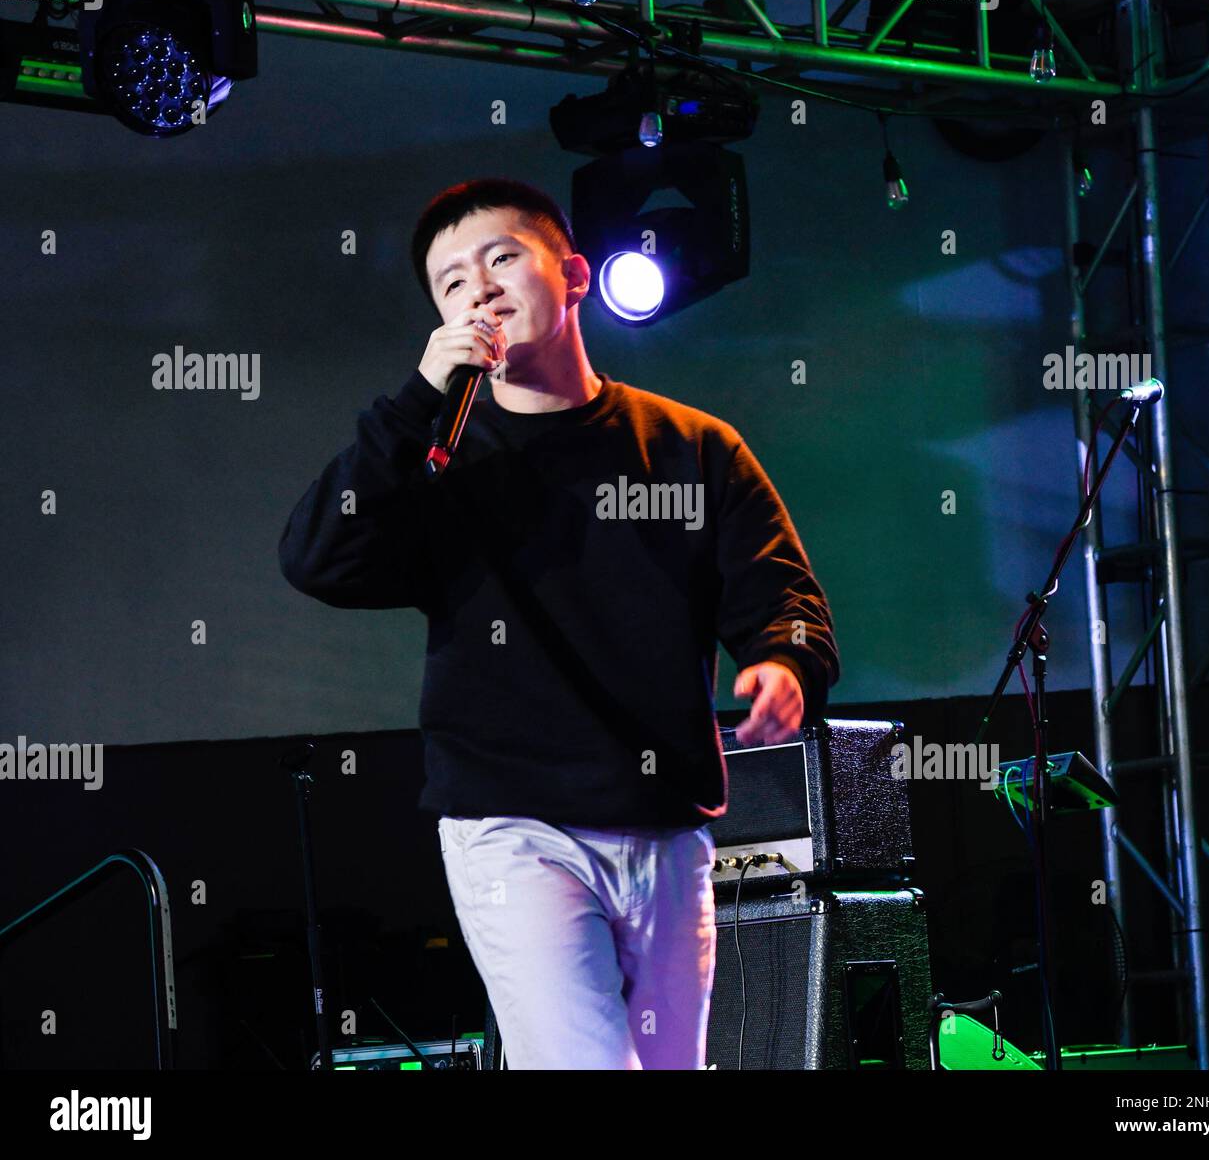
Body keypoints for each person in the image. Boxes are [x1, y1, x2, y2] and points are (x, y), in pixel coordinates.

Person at [278, 177, 839, 1069]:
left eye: (502, 257)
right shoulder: (441, 465)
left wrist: (784, 666)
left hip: (665, 824)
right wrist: (416, 398)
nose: (482, 289)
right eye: (452, 283)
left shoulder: (691, 445)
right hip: (510, 823)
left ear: (574, 274)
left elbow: (785, 599)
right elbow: (318, 557)